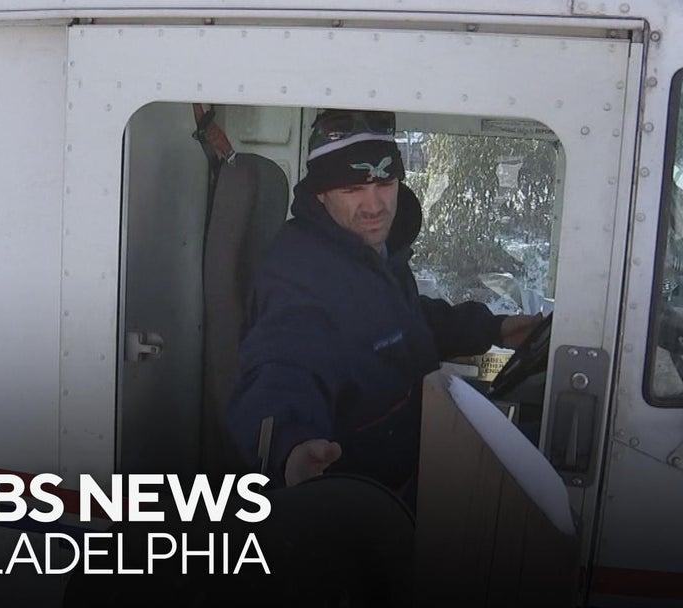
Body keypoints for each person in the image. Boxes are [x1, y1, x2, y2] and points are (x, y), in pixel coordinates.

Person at [224, 109, 542, 508]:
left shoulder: (372, 251)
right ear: (321, 193)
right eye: (352, 188)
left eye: (385, 183)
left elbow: (402, 321)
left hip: (415, 467)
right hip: (365, 504)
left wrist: (494, 329)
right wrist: (292, 448)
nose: (374, 205)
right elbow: (281, 367)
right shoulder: (299, 275)